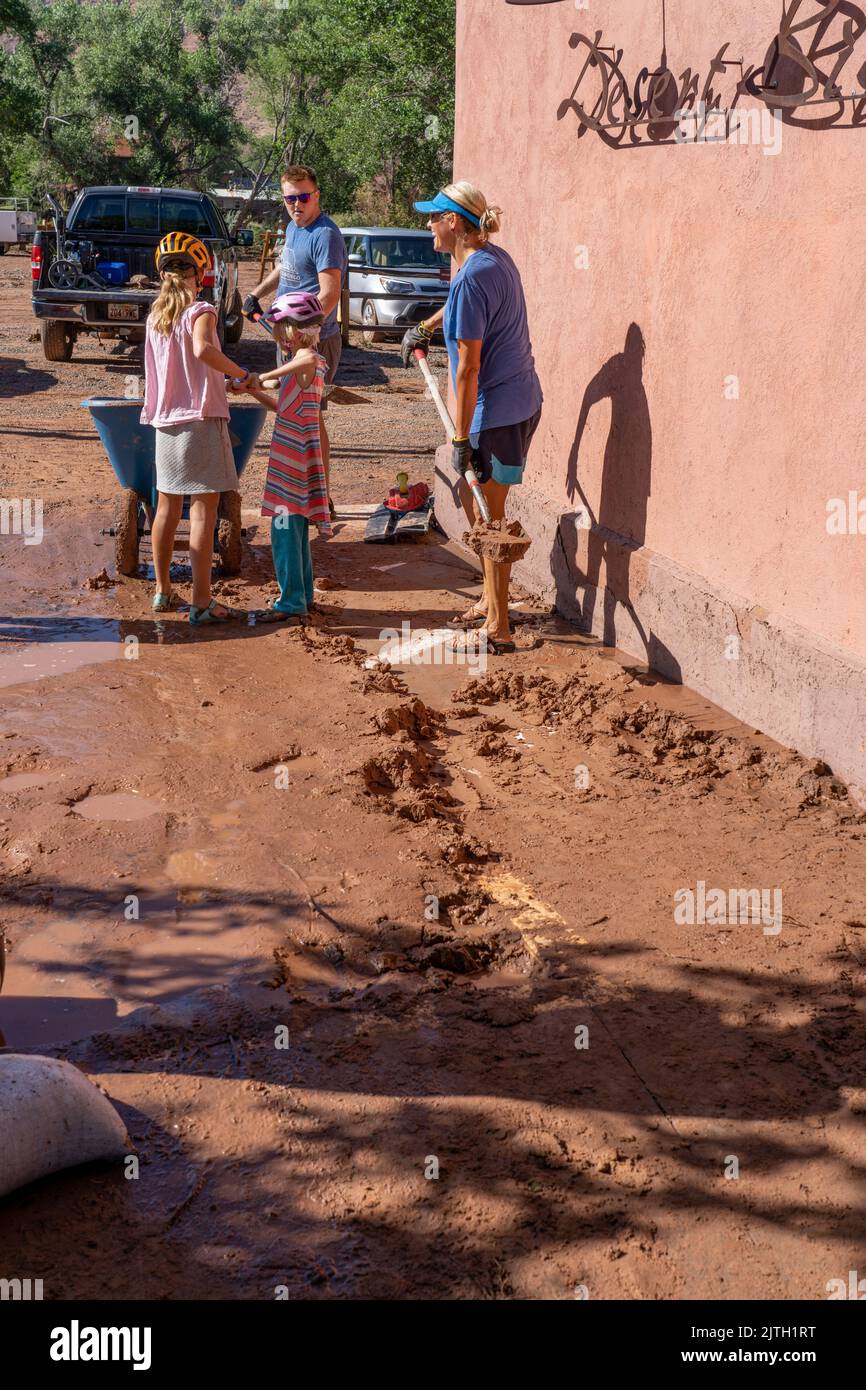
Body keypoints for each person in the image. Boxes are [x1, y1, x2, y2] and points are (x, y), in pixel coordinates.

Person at [401, 182, 542, 654]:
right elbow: (463, 309)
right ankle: (488, 600)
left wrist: (461, 437)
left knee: (489, 516)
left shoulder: (471, 276)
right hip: (522, 400)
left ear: (454, 222)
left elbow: (468, 368)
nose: (428, 225)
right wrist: (426, 326)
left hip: (496, 410)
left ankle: (499, 628)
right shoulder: (493, 259)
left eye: (433, 217)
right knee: (475, 499)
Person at [141, 231, 259, 625]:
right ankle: (202, 602)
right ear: (201, 272)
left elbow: (176, 374)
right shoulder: (201, 310)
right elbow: (201, 351)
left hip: (165, 424)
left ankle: (161, 591)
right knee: (204, 513)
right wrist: (243, 373)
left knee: (166, 510)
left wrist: (225, 384)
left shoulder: (157, 317)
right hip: (200, 423)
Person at [244, 166, 347, 519]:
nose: (297, 204)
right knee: (291, 412)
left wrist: (309, 331)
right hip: (287, 335)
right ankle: (299, 489)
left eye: (303, 197)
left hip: (313, 340)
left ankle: (323, 497)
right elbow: (286, 267)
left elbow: (330, 293)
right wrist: (256, 294)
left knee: (311, 415)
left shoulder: (325, 235)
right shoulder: (293, 227)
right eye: (290, 198)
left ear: (316, 195)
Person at [231, 292, 329, 624]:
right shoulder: (299, 365)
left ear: (297, 331)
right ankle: (302, 595)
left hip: (293, 459)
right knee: (295, 529)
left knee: (284, 527)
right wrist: (253, 390)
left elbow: (306, 362)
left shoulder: (308, 361)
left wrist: (266, 376)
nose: (278, 338)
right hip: (294, 456)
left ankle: (290, 601)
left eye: (281, 331)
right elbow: (283, 407)